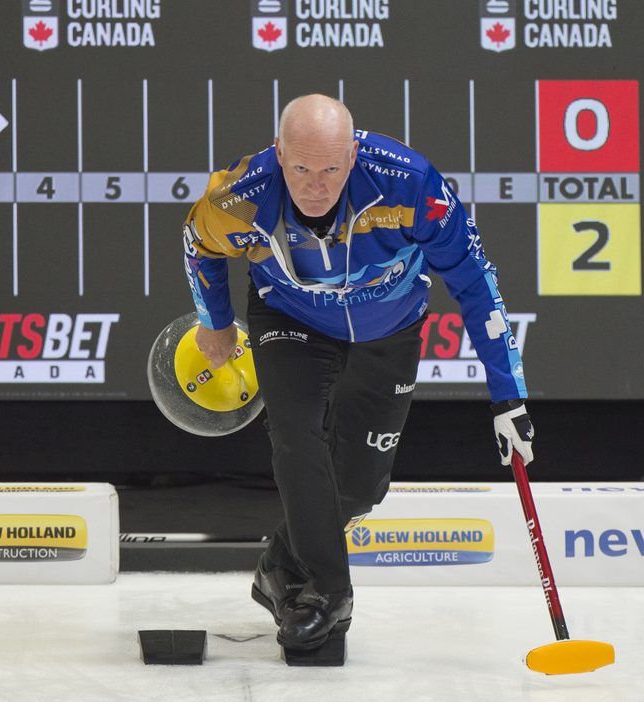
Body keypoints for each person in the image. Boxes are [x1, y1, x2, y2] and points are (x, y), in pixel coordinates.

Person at [182, 94, 534, 651]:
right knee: (297, 436)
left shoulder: (412, 185)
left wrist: (507, 396)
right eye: (299, 168)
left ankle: (279, 564)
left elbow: (475, 282)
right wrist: (216, 321)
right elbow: (196, 243)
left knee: (361, 487)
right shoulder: (242, 195)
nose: (315, 186)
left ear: (352, 155)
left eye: (329, 169)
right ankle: (328, 592)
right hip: (290, 315)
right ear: (279, 154)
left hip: (390, 325)